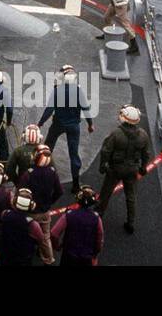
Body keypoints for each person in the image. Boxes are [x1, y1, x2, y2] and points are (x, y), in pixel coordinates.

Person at [39, 64, 95, 191]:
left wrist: (40, 123)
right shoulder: (79, 91)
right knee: (73, 154)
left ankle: (41, 172)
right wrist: (90, 124)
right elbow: (86, 109)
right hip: (74, 126)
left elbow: (49, 109)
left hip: (58, 124)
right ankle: (76, 184)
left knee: (48, 147)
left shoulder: (57, 90)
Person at [97, 104, 152, 234]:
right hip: (132, 169)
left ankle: (98, 216)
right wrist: (143, 167)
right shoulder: (143, 135)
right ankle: (130, 222)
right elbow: (146, 154)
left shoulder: (116, 134)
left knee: (106, 193)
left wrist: (102, 165)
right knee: (131, 196)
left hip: (115, 169)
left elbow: (106, 151)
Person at [18, 144, 62, 265]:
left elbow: (20, 193)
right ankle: (48, 259)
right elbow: (59, 191)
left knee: (27, 235)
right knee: (45, 236)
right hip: (44, 211)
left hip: (30, 213)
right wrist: (49, 203)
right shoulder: (52, 172)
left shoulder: (28, 174)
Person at [51, 186, 105, 265]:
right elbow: (100, 238)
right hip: (86, 257)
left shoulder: (69, 215)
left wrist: (57, 246)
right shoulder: (96, 218)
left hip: (68, 255)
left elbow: (54, 233)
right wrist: (96, 253)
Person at [0, 188, 45, 267]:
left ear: (14, 202)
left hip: (7, 253)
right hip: (24, 257)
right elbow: (41, 239)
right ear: (31, 205)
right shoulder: (32, 224)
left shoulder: (5, 214)